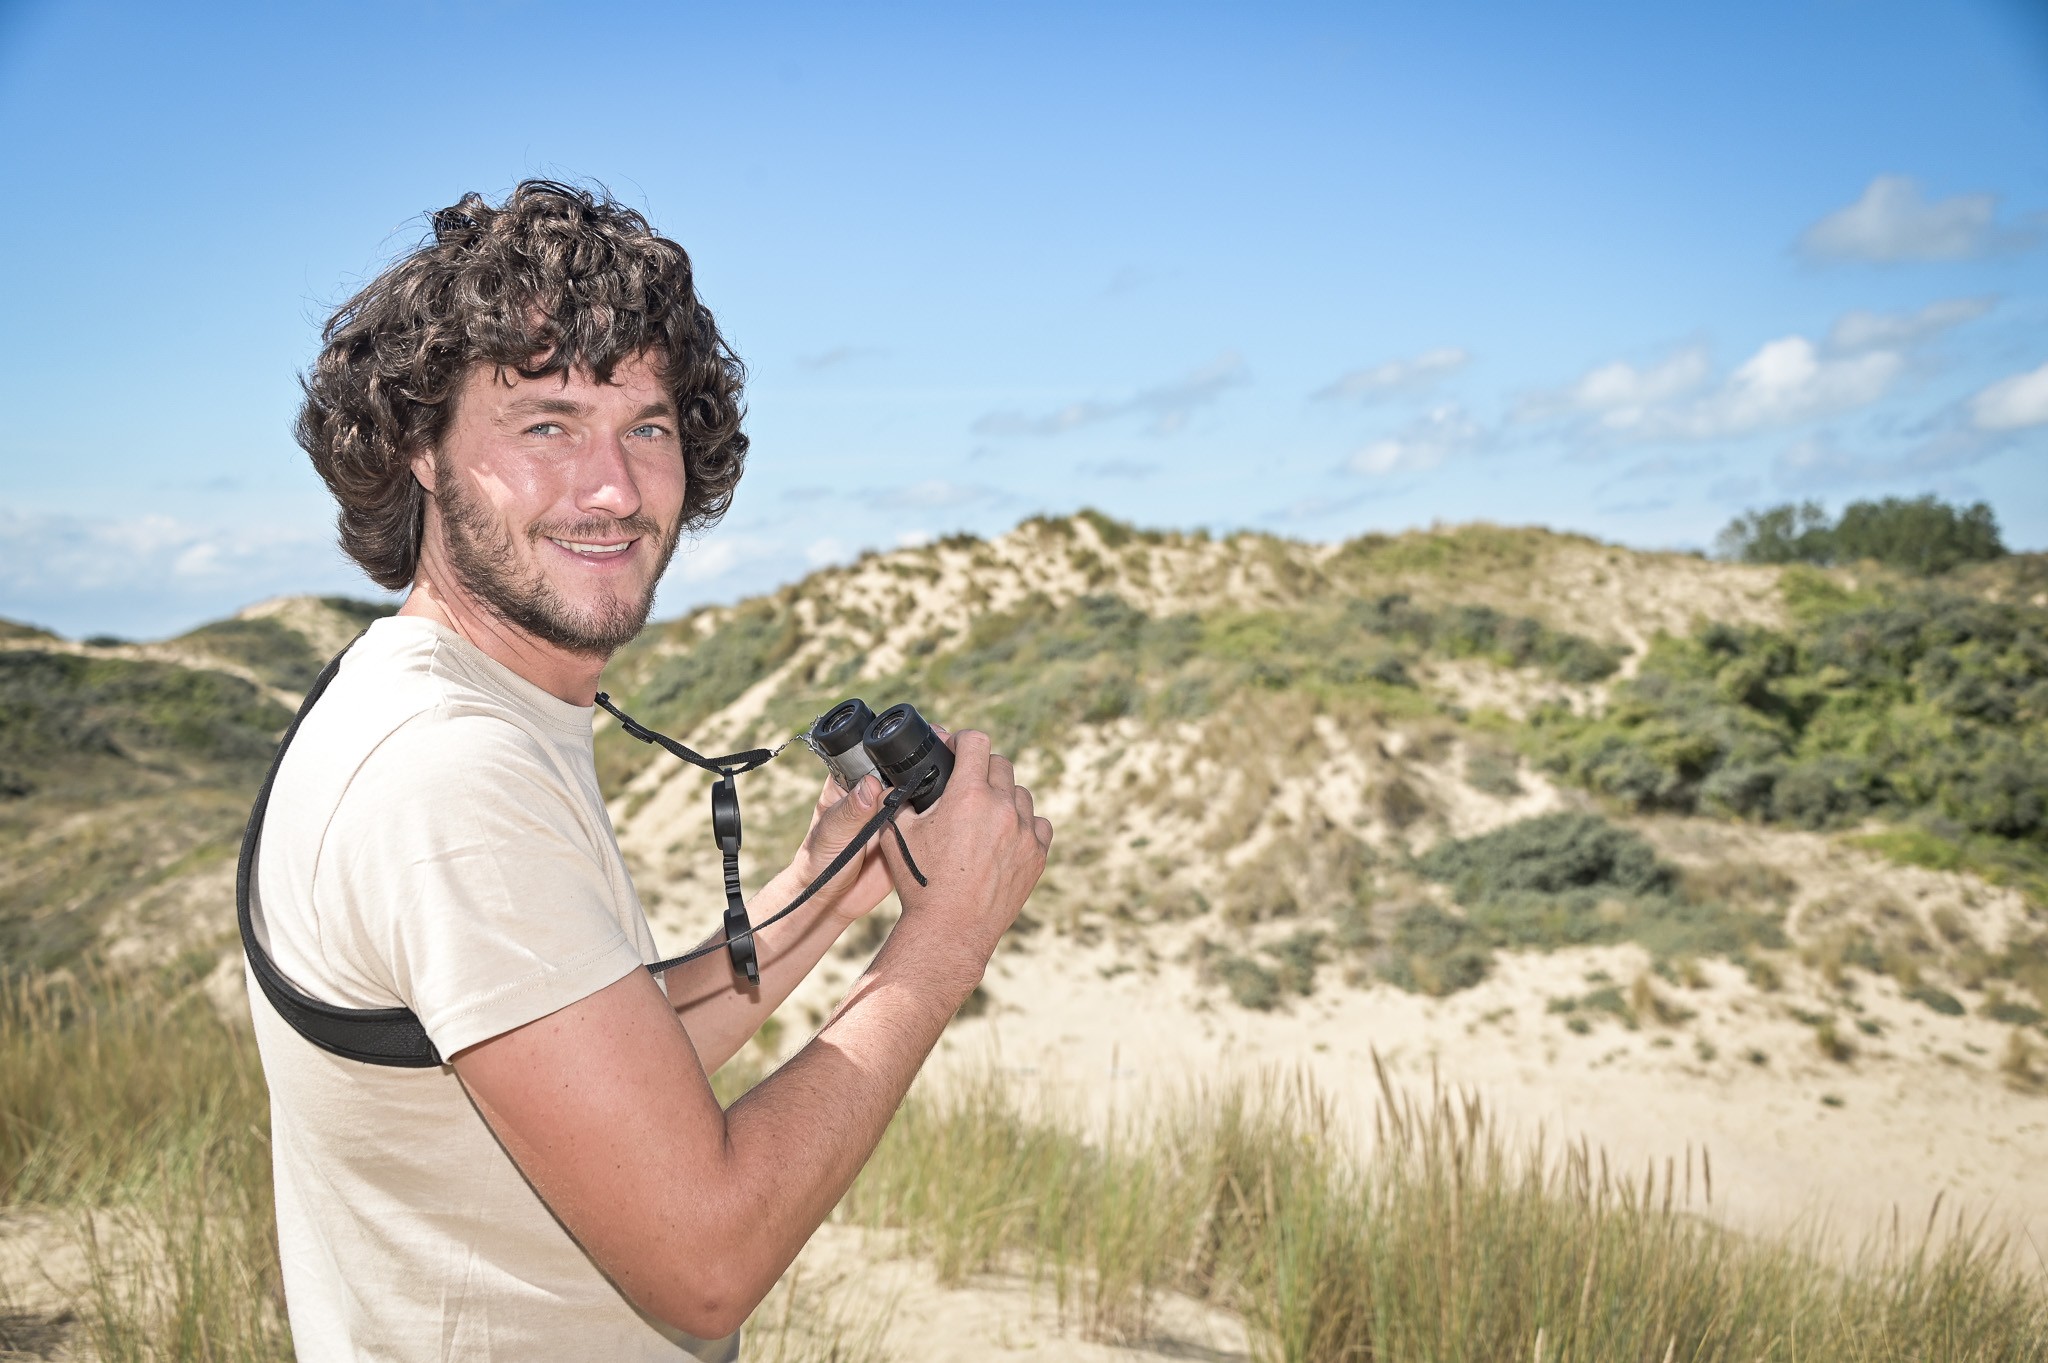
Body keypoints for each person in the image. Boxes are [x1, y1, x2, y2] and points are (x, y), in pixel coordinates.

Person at [251, 179, 1052, 1361]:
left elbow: (599, 1067)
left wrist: (824, 888)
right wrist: (942, 948)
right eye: (545, 426)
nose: (615, 488)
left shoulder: (424, 694)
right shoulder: (447, 775)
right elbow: (705, 1260)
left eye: (647, 426)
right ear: (420, 449)